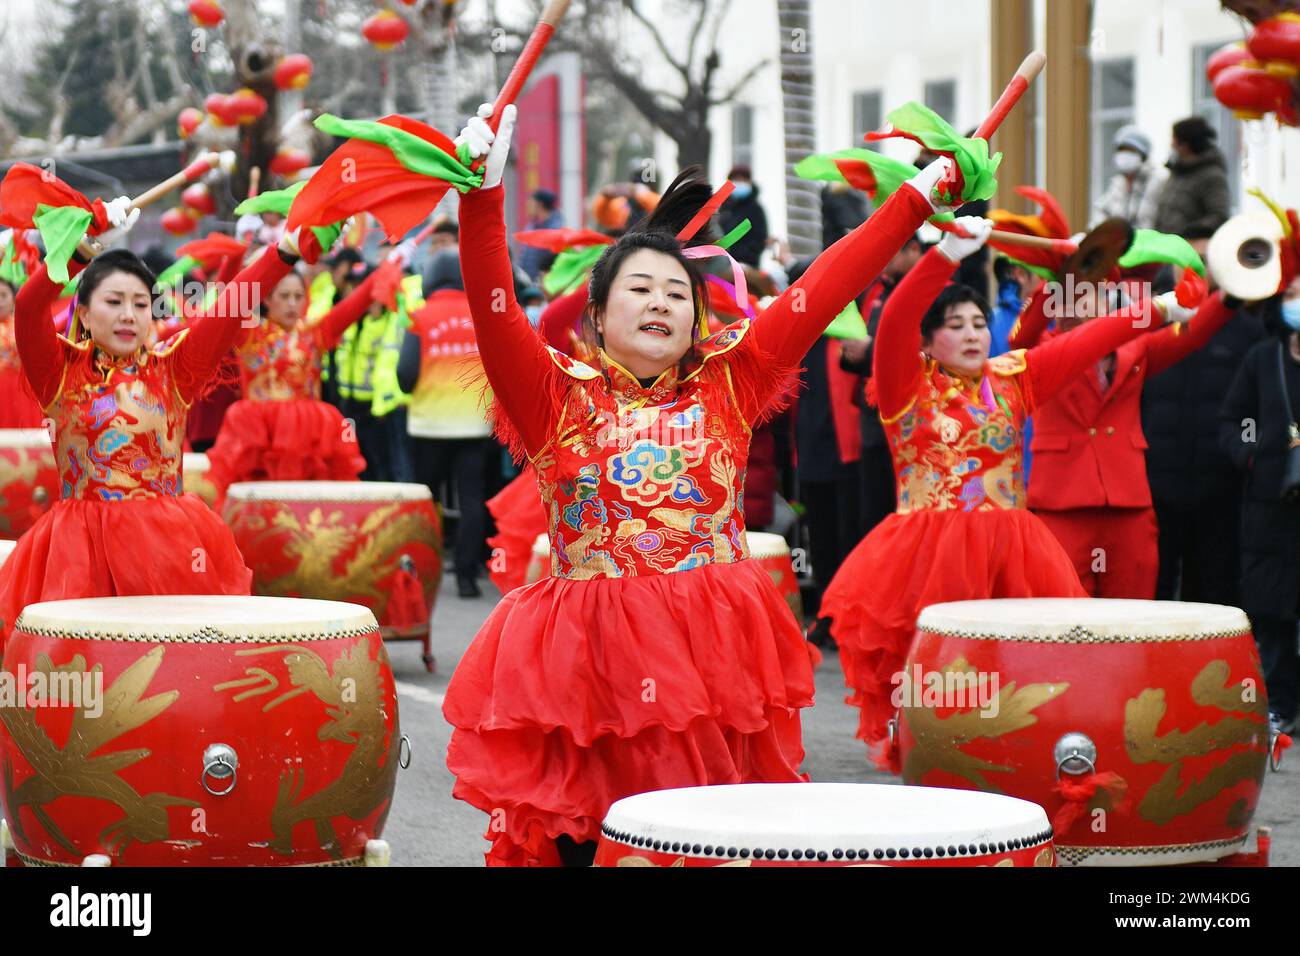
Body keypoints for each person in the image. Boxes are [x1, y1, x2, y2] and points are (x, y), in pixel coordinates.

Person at [443, 101, 949, 866]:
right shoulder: (552, 396)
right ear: (599, 315)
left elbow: (827, 284)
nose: (660, 303)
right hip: (587, 663)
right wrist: (480, 198)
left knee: (707, 836)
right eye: (640, 290)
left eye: (678, 293)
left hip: (712, 654)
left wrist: (916, 198)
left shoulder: (730, 384)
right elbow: (492, 313)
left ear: (696, 318)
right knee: (589, 837)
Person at [818, 216, 1201, 768]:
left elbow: (1091, 338)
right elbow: (900, 312)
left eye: (979, 323)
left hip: (1013, 544)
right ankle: (933, 748)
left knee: (1021, 655)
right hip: (931, 547)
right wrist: (946, 253)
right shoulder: (906, 386)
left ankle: (1014, 746)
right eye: (956, 325)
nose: (974, 334)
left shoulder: (1014, 376)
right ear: (927, 340)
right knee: (941, 659)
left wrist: (1161, 309)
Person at [0, 202, 298, 647]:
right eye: (114, 302)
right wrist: (79, 246)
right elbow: (28, 305)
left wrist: (288, 250)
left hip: (170, 546)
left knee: (174, 668)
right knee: (84, 669)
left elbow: (234, 304)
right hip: (78, 550)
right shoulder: (59, 372)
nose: (129, 315)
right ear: (83, 313)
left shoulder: (175, 369)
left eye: (141, 304)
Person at [1012, 270, 1228, 598]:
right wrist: (1058, 278)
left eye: (1091, 293)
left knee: (1133, 615)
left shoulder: (1136, 347)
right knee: (1063, 616)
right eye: (1072, 294)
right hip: (1062, 503)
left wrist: (1230, 295)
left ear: (1109, 301)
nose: (1081, 302)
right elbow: (1021, 338)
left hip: (1129, 505)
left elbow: (1192, 334)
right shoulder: (1040, 350)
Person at [204, 251, 402, 505]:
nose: (292, 304)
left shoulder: (316, 333)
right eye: (284, 296)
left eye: (298, 296)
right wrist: (235, 257)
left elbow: (358, 302)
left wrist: (388, 264)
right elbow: (225, 300)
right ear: (266, 299)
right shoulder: (249, 334)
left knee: (308, 506)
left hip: (311, 434)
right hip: (258, 433)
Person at [1219, 273, 1300, 736]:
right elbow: (1234, 419)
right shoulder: (1262, 359)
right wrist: (1252, 452)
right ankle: (1277, 704)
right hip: (1270, 507)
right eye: (1290, 294)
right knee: (1272, 613)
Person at [398, 248, 497, 598]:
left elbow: (405, 377)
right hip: (474, 427)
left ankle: (420, 572)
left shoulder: (419, 317)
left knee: (425, 502)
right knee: (472, 501)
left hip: (429, 427)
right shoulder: (481, 316)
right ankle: (467, 579)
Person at [1154, 117, 1232, 242]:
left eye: (1174, 139)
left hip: (1192, 250)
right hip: (1168, 249)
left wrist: (1189, 232)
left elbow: (1219, 216)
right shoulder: (1177, 172)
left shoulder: (1212, 176)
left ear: (1185, 145)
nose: (1171, 145)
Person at [1091, 124, 1166, 230]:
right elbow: (1102, 213)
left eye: (1131, 150)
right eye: (1121, 150)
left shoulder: (1160, 180)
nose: (1125, 155)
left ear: (1143, 155)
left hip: (1151, 244)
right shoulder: (1118, 183)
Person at [0, 275, 45, 428]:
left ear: (13, 299)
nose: (0, 301)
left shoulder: (23, 325)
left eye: (3, 295)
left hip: (22, 394)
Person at [718, 164, 770, 268]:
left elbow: (760, 238)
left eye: (742, 180)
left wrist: (745, 256)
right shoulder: (724, 208)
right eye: (735, 180)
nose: (739, 183)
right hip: (722, 265)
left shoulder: (756, 209)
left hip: (747, 266)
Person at [517, 189, 564, 281]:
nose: (528, 207)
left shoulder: (555, 230)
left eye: (531, 204)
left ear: (540, 205)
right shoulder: (531, 226)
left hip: (545, 282)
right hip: (528, 280)